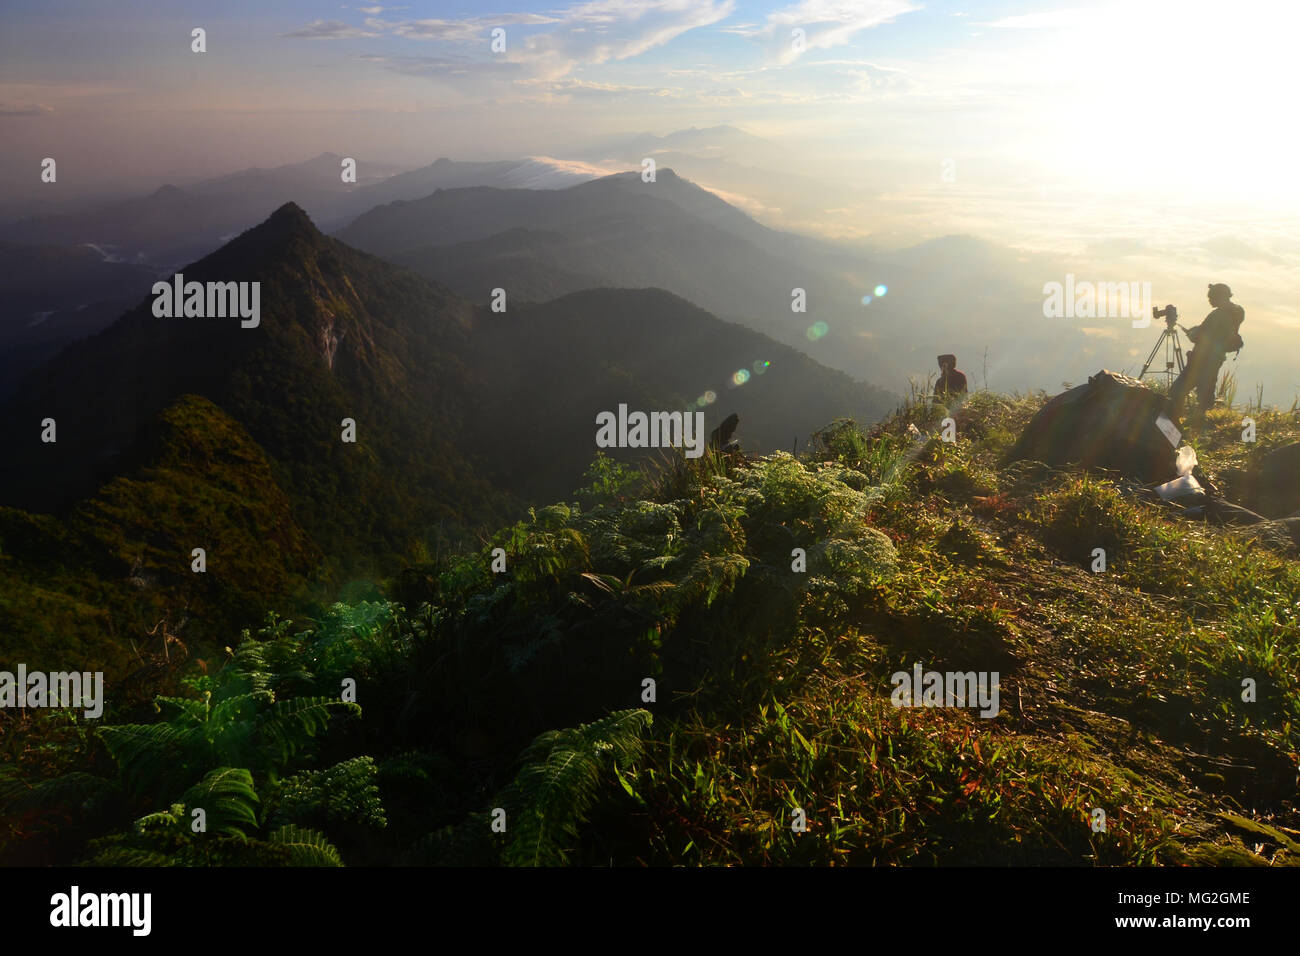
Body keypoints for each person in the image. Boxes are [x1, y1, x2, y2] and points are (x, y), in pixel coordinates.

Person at [1167, 283, 1244, 422]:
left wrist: (1192, 333)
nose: (1209, 300)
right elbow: (1217, 333)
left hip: (1201, 359)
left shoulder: (1218, 315)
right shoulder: (1237, 311)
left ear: (1219, 296)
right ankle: (1203, 420)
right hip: (1217, 358)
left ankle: (1174, 420)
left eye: (1211, 297)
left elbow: (1200, 336)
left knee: (1177, 391)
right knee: (1206, 391)